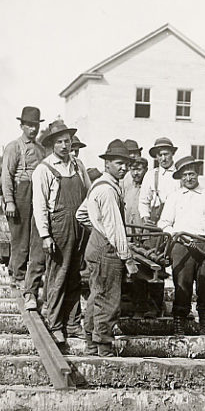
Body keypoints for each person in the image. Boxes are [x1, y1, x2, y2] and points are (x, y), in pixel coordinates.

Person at [76, 139, 139, 356]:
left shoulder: (100, 185)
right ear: (107, 164)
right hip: (107, 249)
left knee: (96, 294)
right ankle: (104, 347)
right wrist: (128, 259)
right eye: (119, 163)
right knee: (109, 299)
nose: (124, 168)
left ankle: (91, 343)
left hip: (95, 245)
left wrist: (97, 227)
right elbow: (116, 231)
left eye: (126, 164)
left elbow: (81, 214)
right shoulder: (108, 191)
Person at [32, 119, 90, 348]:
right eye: (60, 142)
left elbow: (88, 193)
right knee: (58, 276)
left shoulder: (78, 165)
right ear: (52, 145)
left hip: (79, 227)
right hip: (59, 227)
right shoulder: (44, 170)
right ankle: (55, 324)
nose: (65, 146)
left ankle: (74, 323)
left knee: (75, 275)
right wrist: (45, 235)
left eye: (68, 141)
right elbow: (39, 206)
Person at [159, 155, 205, 335]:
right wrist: (177, 234)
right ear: (180, 178)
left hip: (203, 244)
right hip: (181, 245)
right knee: (182, 286)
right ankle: (179, 325)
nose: (189, 179)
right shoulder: (174, 197)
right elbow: (164, 223)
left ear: (197, 174)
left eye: (191, 174)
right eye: (184, 175)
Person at [1, 106, 46, 308]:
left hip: (36, 193)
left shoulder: (40, 150)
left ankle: (30, 277)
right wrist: (10, 200)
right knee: (19, 236)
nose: (33, 129)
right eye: (29, 125)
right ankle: (17, 275)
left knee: (35, 236)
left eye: (35, 125)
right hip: (20, 192)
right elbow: (6, 176)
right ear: (22, 125)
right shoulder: (13, 147)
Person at [138, 137, 180, 225]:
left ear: (172, 153)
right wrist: (145, 217)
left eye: (166, 154)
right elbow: (143, 201)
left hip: (176, 221)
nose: (163, 158)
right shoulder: (150, 175)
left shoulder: (180, 175)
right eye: (160, 155)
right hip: (156, 221)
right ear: (156, 157)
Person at [123, 156, 149, 228]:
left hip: (145, 233)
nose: (135, 173)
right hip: (128, 232)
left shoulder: (149, 188)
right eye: (133, 170)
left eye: (139, 169)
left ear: (146, 170)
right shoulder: (127, 187)